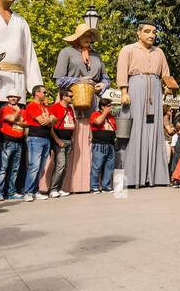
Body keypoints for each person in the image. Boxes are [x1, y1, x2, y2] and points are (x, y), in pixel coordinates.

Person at [115, 21, 178, 187]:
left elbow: (166, 73)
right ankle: (131, 177)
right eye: (147, 31)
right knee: (134, 130)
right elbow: (122, 70)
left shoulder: (159, 52)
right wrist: (124, 92)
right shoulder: (128, 49)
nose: (151, 35)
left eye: (154, 32)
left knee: (154, 130)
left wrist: (168, 88)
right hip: (135, 87)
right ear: (139, 33)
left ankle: (155, 176)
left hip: (155, 89)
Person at [54, 21, 109, 195]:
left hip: (91, 102)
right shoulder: (66, 52)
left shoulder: (97, 55)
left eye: (90, 35)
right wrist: (79, 81)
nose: (88, 38)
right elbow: (58, 80)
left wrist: (102, 85)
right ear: (77, 37)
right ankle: (65, 185)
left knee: (88, 141)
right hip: (70, 101)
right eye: (85, 35)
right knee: (71, 142)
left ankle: (89, 184)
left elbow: (106, 78)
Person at [22, 85, 55, 201]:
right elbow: (42, 121)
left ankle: (35, 191)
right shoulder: (31, 105)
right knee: (34, 166)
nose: (45, 94)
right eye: (44, 92)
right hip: (35, 137)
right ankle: (28, 192)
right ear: (36, 93)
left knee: (41, 167)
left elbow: (54, 119)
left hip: (46, 138)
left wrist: (50, 120)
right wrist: (49, 120)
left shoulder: (45, 107)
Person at [0, 93, 26, 200]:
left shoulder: (23, 111)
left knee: (15, 169)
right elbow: (11, 120)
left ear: (19, 98)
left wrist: (18, 119)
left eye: (15, 96)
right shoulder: (4, 109)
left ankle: (11, 193)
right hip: (7, 141)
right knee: (3, 169)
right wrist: (17, 113)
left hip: (19, 142)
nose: (13, 98)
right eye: (11, 96)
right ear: (7, 98)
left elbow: (26, 124)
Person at [89, 101, 117, 193]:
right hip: (99, 144)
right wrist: (105, 112)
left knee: (109, 166)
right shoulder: (95, 114)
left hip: (110, 144)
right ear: (102, 106)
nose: (111, 107)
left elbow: (114, 129)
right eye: (109, 106)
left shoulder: (111, 116)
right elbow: (98, 122)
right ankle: (94, 187)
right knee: (97, 166)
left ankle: (106, 186)